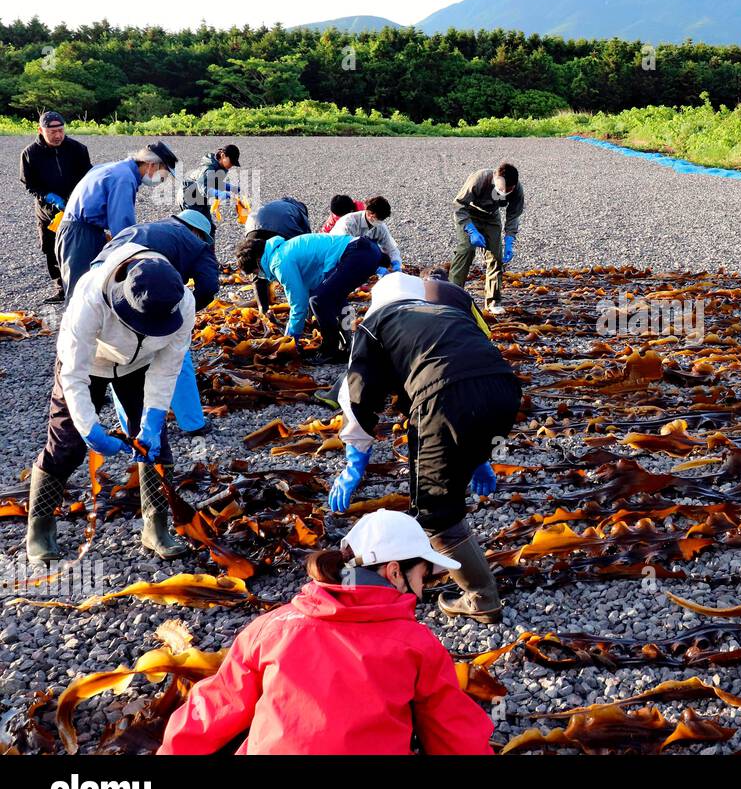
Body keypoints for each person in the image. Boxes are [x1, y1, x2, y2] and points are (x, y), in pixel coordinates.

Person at [157, 509, 494, 755]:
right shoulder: (417, 645)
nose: (422, 591)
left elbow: (215, 707)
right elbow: (455, 734)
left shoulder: (273, 627)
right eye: (422, 576)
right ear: (394, 572)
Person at [329, 271, 521, 623]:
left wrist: (354, 459)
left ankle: (481, 597)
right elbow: (462, 369)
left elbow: (357, 398)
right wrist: (479, 456)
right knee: (444, 448)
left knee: (435, 512)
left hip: (445, 398)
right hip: (505, 390)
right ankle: (437, 563)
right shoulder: (445, 312)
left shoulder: (376, 323)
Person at [26, 247, 195, 563]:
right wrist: (90, 429)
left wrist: (154, 414)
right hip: (90, 364)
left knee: (155, 445)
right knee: (66, 446)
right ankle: (40, 526)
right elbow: (73, 373)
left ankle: (156, 526)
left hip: (139, 365)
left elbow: (168, 364)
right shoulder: (91, 297)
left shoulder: (182, 302)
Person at [100, 209, 220, 435]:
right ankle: (193, 423)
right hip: (141, 286)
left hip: (102, 282)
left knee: (117, 355)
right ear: (200, 233)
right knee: (175, 353)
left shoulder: (145, 229)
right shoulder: (196, 243)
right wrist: (185, 309)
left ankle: (131, 429)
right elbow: (210, 286)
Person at [234, 231, 384, 362]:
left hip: (357, 253)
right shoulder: (283, 249)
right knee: (334, 296)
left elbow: (299, 304)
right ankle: (348, 342)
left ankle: (330, 349)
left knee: (319, 300)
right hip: (366, 249)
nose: (258, 276)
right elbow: (312, 286)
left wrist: (290, 341)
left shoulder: (279, 262)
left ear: (258, 261)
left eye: (255, 272)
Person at [55, 141, 178, 299]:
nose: (163, 180)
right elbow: (123, 226)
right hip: (80, 235)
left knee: (91, 288)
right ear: (152, 165)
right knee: (81, 294)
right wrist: (138, 254)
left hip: (80, 230)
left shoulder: (116, 168)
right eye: (164, 174)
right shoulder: (124, 178)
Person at [18, 111, 92, 304]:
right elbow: (30, 184)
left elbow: (88, 177)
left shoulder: (78, 149)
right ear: (40, 130)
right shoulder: (29, 153)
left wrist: (77, 198)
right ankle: (61, 288)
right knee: (51, 248)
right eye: (52, 132)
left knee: (81, 245)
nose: (58, 135)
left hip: (76, 208)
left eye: (61, 130)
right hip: (48, 212)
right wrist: (49, 197)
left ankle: (85, 286)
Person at [450, 163, 524, 315]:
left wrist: (510, 239)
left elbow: (513, 215)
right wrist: (471, 230)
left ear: (513, 186)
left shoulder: (517, 190)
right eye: (499, 189)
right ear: (494, 179)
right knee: (466, 251)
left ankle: (493, 301)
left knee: (496, 257)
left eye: (506, 191)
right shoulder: (480, 178)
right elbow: (458, 205)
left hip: (491, 217)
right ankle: (453, 296)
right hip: (469, 214)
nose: (502, 193)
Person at [243, 196, 313, 312]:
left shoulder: (275, 204)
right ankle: (308, 308)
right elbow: (307, 241)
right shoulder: (300, 212)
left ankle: (263, 309)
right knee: (300, 264)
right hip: (282, 228)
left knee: (255, 261)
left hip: (252, 226)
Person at [328, 195, 402, 274]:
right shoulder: (349, 223)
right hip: (336, 253)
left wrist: (396, 262)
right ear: (370, 215)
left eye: (382, 220)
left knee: (385, 259)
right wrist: (374, 268)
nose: (381, 222)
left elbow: (390, 247)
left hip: (360, 252)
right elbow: (347, 252)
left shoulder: (380, 226)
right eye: (379, 219)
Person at [180, 144, 240, 218]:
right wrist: (218, 194)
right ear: (223, 155)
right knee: (195, 225)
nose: (232, 165)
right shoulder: (208, 168)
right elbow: (204, 188)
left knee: (208, 226)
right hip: (188, 197)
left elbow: (213, 183)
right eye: (231, 161)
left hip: (201, 198)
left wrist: (230, 187)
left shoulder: (219, 167)